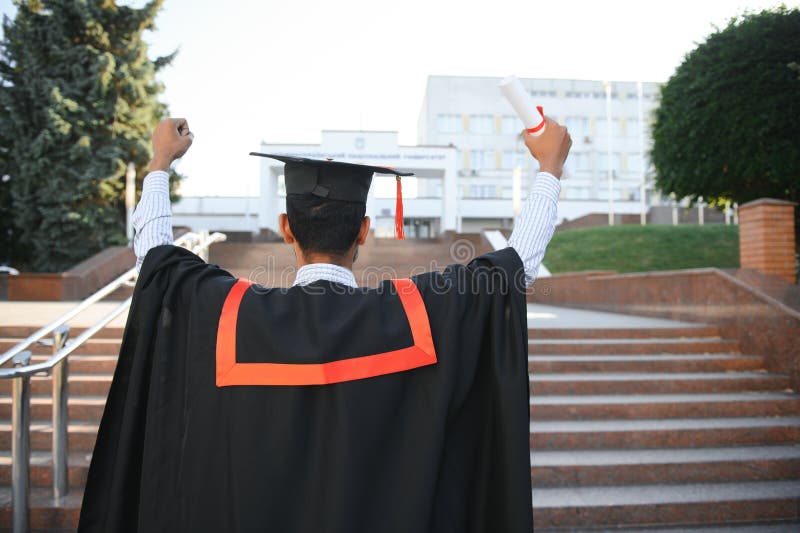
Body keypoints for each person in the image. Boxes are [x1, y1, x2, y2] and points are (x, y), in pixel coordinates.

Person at [78, 116, 570, 533]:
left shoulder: (230, 313)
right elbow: (515, 264)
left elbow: (157, 261)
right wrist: (549, 166)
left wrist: (160, 164)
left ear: (285, 227)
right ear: (363, 232)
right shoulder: (412, 314)